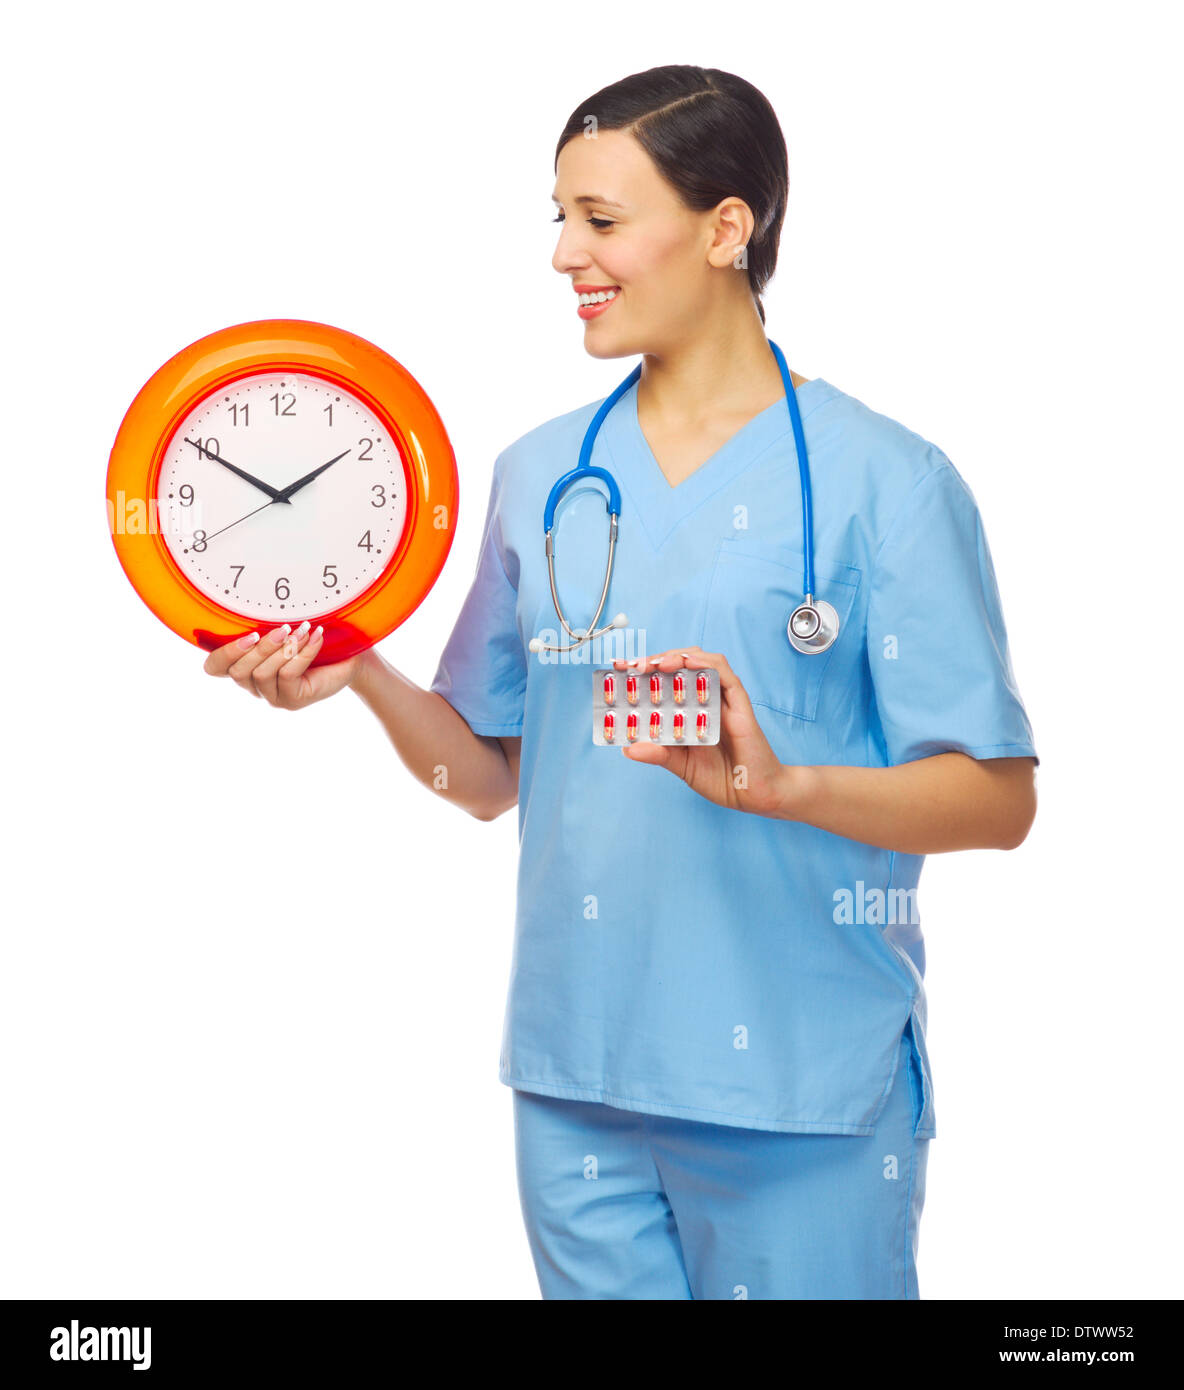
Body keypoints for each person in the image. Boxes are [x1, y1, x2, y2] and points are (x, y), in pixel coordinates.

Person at [202, 65, 1037, 1300]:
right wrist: (359, 668)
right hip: (577, 1085)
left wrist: (787, 787)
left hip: (800, 1091)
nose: (562, 255)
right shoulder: (539, 473)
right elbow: (485, 778)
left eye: (598, 220)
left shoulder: (887, 482)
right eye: (557, 218)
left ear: (725, 227)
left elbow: (997, 800)